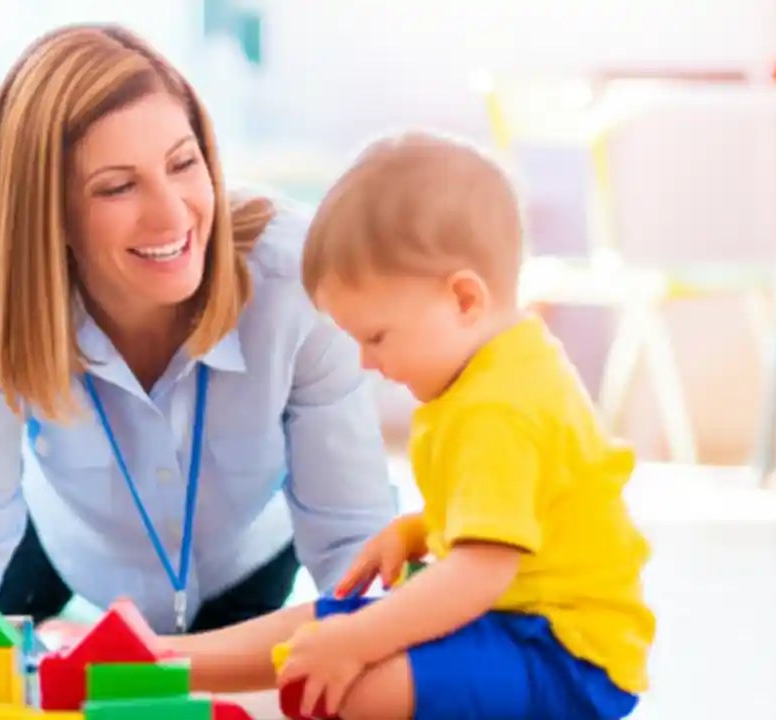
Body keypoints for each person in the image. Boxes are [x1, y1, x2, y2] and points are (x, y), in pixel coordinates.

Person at [0, 23, 396, 640]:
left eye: (183, 164)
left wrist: (389, 643)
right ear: (47, 214)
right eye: (117, 186)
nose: (171, 214)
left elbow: (356, 535)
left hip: (241, 563)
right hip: (64, 545)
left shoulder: (297, 277)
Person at [165, 132, 655, 720]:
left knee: (358, 680)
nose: (367, 363)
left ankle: (179, 669)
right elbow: (525, 511)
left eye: (376, 337)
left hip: (561, 651)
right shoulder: (496, 369)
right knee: (324, 626)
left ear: (464, 300)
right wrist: (420, 530)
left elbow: (478, 573)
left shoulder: (500, 407)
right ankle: (162, 661)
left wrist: (358, 642)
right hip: (518, 620)